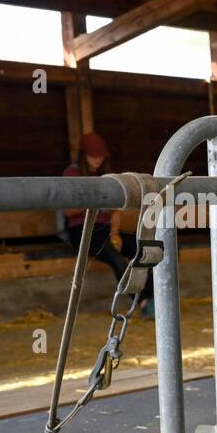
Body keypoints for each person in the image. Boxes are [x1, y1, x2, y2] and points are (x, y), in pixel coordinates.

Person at [62, 132, 154, 316]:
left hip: (105, 229)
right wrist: (95, 200)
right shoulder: (72, 174)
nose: (97, 159)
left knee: (146, 250)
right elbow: (68, 210)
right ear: (83, 155)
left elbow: (116, 210)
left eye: (100, 155)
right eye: (93, 155)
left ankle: (154, 298)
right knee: (116, 260)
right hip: (82, 230)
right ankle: (143, 303)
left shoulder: (108, 175)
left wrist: (114, 233)